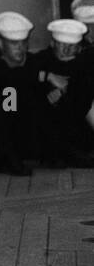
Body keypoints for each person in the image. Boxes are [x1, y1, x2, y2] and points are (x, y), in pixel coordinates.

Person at [0, 12, 47, 176]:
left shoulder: (34, 61)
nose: (20, 48)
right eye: (13, 43)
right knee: (8, 95)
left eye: (23, 42)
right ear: (0, 43)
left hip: (29, 132)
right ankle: (8, 158)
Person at [31, 19, 94, 164]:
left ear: (79, 48)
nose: (66, 50)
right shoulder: (40, 60)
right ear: (53, 43)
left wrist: (65, 90)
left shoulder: (85, 62)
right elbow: (18, 77)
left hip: (79, 127)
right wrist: (48, 77)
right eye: (62, 44)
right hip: (45, 126)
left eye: (71, 46)